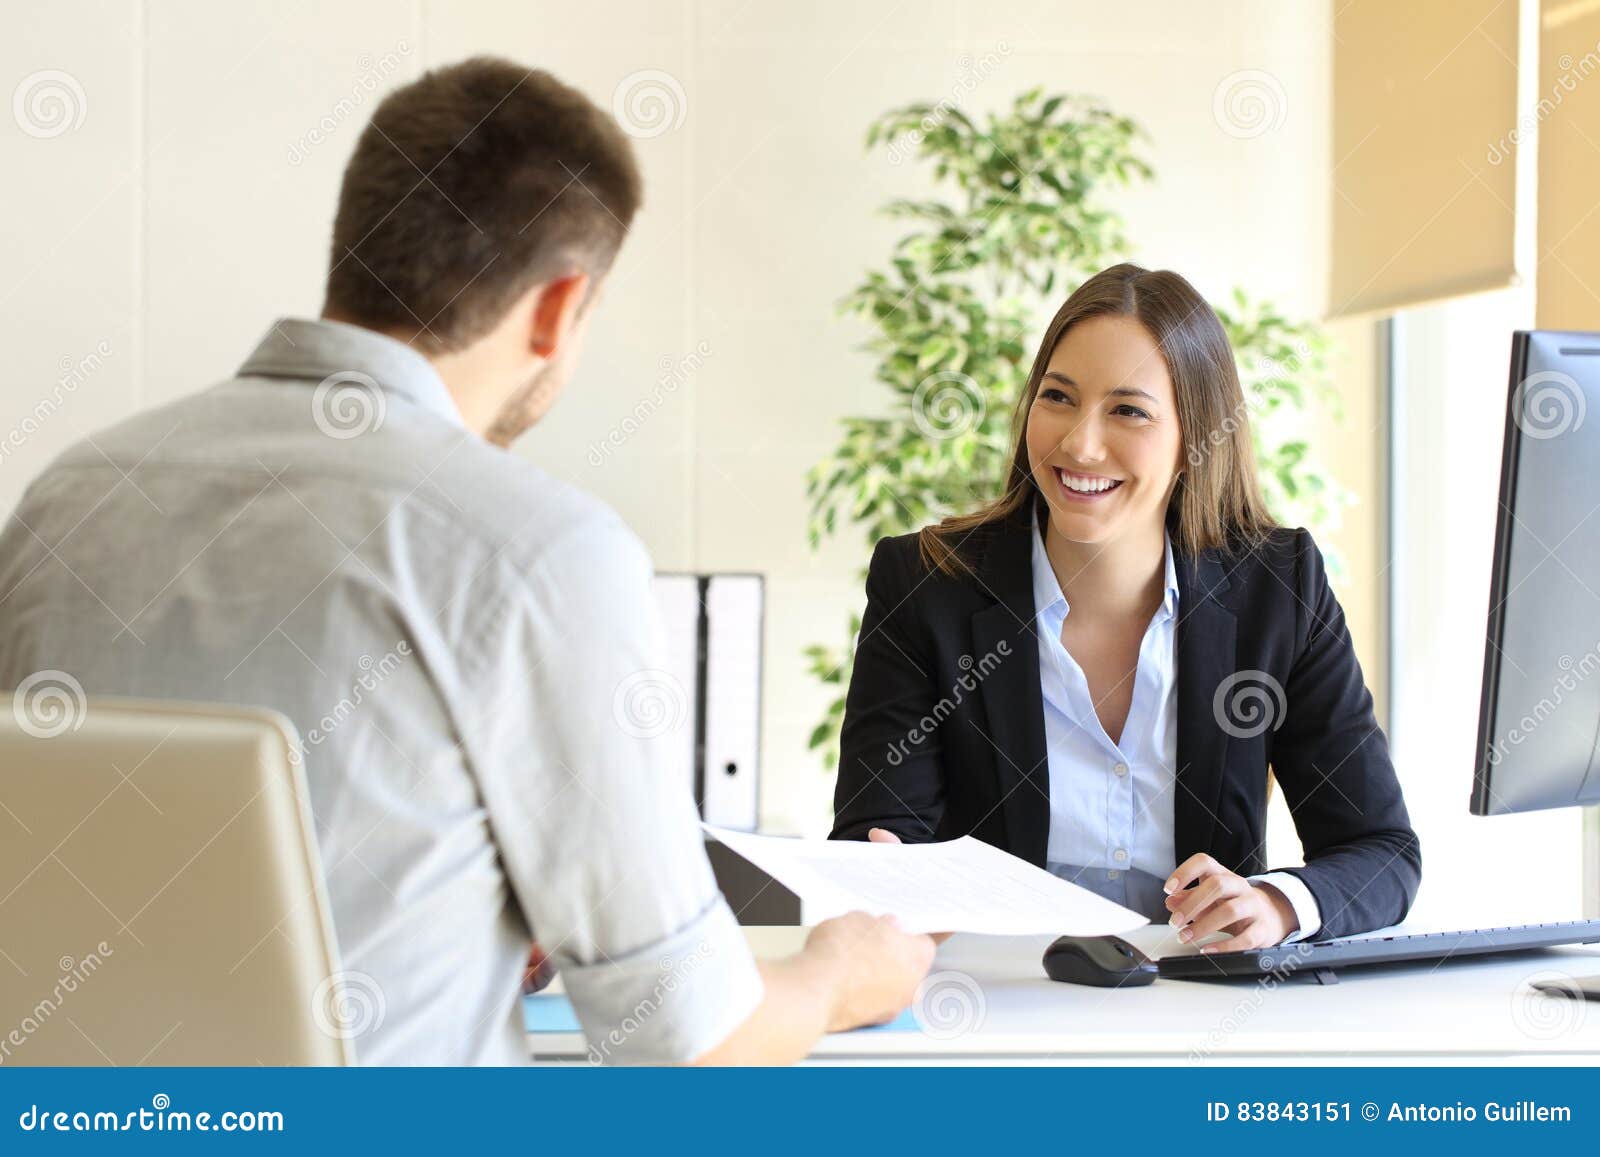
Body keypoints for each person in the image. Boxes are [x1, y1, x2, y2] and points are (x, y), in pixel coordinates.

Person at [0, 57, 934, 1064]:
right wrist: (841, 973)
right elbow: (683, 1039)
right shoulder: (537, 548)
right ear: (556, 308)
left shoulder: (69, 495)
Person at [831, 263, 1420, 953]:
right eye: (1058, 397)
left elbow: (1381, 850)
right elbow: (876, 838)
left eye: (1128, 410)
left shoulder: (1277, 587)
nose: (1080, 443)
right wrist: (890, 883)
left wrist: (1276, 903)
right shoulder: (926, 583)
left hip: (1196, 1007)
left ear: (1193, 441)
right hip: (994, 1002)